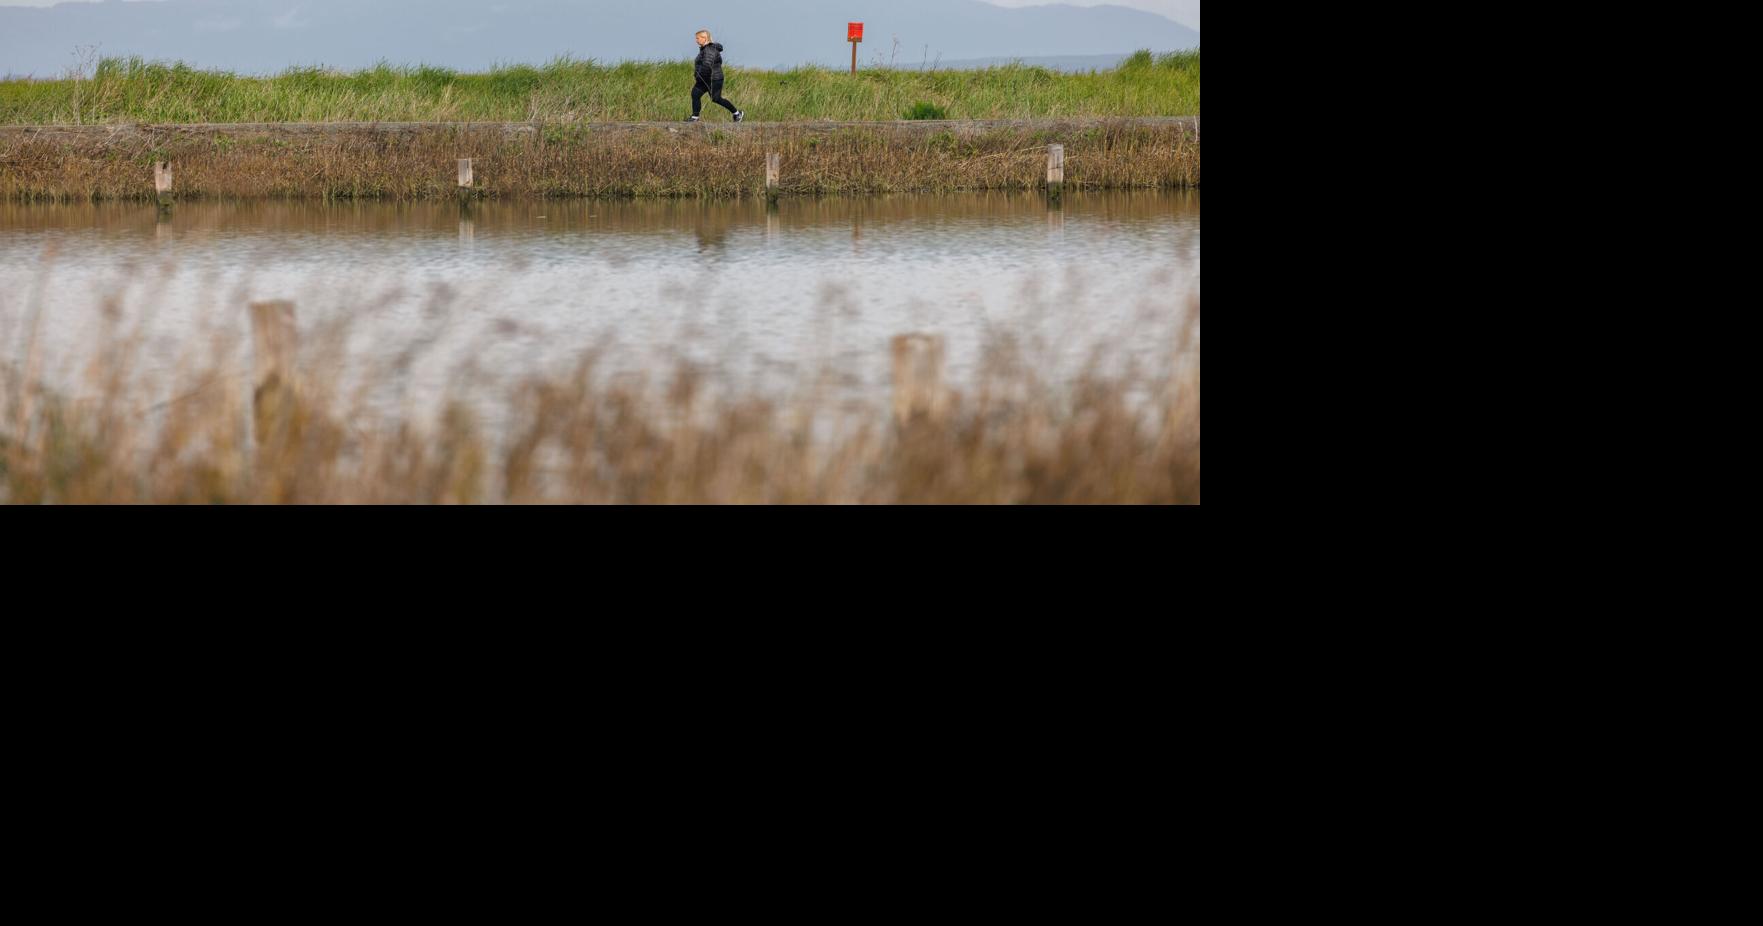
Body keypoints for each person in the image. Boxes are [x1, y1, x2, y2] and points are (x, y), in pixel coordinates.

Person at [687, 30, 744, 123]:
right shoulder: (704, 49)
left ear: (704, 38)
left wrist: (700, 76)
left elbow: (707, 65)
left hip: (713, 79)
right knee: (695, 94)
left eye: (697, 38)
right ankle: (695, 117)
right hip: (704, 79)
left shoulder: (709, 50)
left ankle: (737, 114)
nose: (696, 40)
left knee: (716, 99)